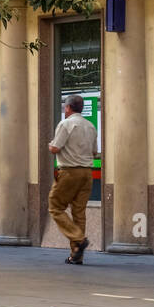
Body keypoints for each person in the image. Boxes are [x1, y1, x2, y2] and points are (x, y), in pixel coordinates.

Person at [48, 94, 98, 265]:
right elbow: (94, 152)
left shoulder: (66, 124)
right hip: (87, 173)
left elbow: (55, 148)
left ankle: (79, 239)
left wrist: (50, 145)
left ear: (68, 108)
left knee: (55, 207)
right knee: (79, 213)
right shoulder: (90, 126)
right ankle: (77, 254)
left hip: (69, 172)